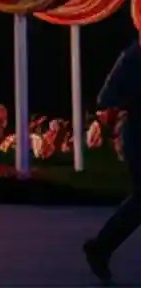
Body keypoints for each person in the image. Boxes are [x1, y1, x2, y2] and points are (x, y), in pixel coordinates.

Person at [85, 40, 141, 283]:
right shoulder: (132, 57)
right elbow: (108, 99)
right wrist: (101, 124)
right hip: (138, 134)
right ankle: (100, 247)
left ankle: (101, 247)